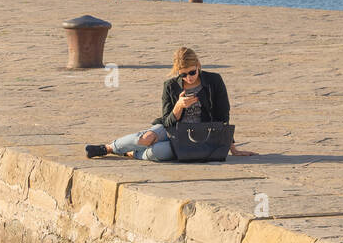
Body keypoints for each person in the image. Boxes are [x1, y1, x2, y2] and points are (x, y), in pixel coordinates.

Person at [84, 47, 257, 161]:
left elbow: (223, 115)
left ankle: (132, 153)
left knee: (159, 151)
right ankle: (107, 148)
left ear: (198, 65)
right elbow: (167, 121)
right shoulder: (170, 86)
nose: (189, 78)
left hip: (199, 135)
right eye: (183, 74)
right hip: (174, 128)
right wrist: (178, 107)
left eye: (192, 72)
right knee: (147, 138)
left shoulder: (214, 81)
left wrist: (232, 148)